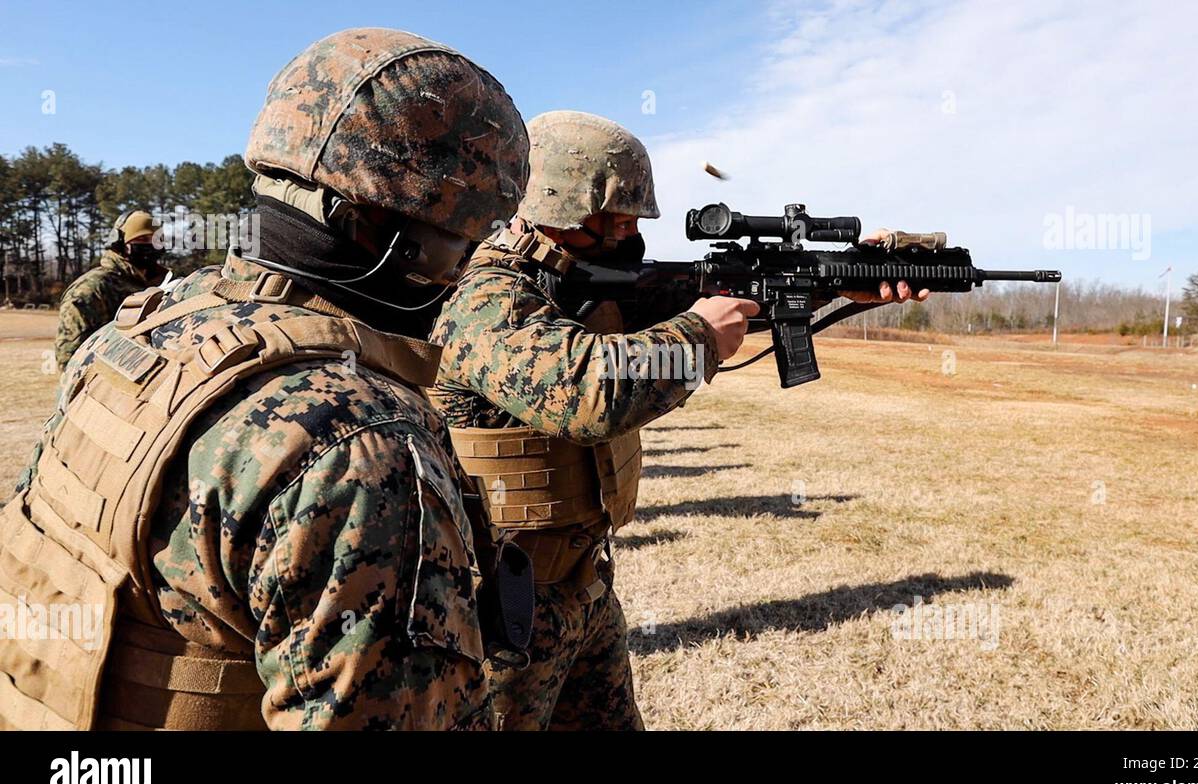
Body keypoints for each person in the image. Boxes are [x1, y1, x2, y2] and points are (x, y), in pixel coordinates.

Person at [0, 27, 529, 731]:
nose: (467, 270)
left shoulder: (143, 325)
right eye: (467, 240)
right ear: (395, 235)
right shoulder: (360, 446)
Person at [430, 110, 927, 730]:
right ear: (555, 204)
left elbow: (707, 295)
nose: (626, 233)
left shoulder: (583, 280)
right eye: (611, 220)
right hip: (500, 606)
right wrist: (698, 338)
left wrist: (838, 278)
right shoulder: (486, 295)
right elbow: (588, 391)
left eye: (632, 220)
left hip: (583, 585)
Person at [54, 210, 169, 370]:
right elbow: (70, 359)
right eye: (142, 239)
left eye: (155, 240)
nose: (149, 245)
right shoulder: (92, 288)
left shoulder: (163, 285)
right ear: (120, 243)